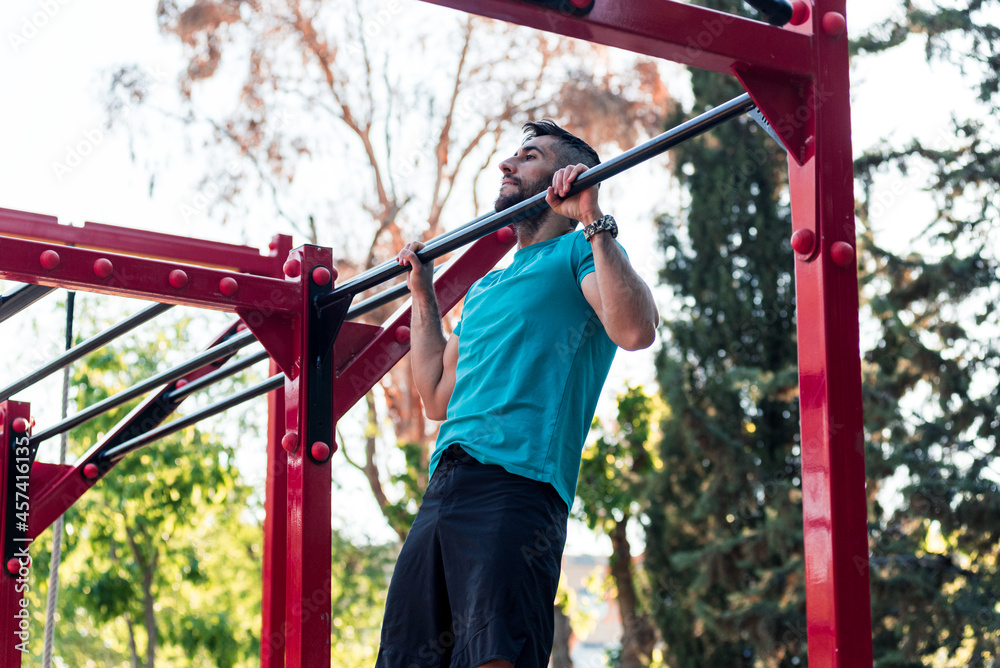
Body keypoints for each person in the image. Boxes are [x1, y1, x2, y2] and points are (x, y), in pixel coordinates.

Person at [376, 120, 659, 668]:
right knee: (407, 657)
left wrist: (594, 220)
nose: (507, 165)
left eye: (528, 156)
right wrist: (422, 292)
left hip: (516, 486)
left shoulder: (579, 253)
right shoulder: (486, 288)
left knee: (495, 655)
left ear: (565, 179)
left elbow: (635, 330)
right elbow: (435, 394)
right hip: (444, 488)